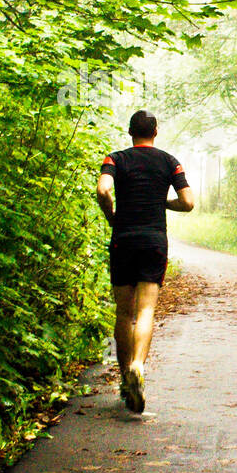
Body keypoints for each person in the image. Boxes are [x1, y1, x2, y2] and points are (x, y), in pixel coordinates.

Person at [96, 111, 194, 413]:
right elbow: (188, 202)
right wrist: (160, 201)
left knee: (124, 312)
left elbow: (103, 190)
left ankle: (126, 377)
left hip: (123, 239)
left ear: (130, 132)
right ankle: (139, 365)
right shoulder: (169, 161)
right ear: (155, 131)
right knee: (147, 309)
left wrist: (112, 215)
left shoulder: (115, 159)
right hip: (153, 241)